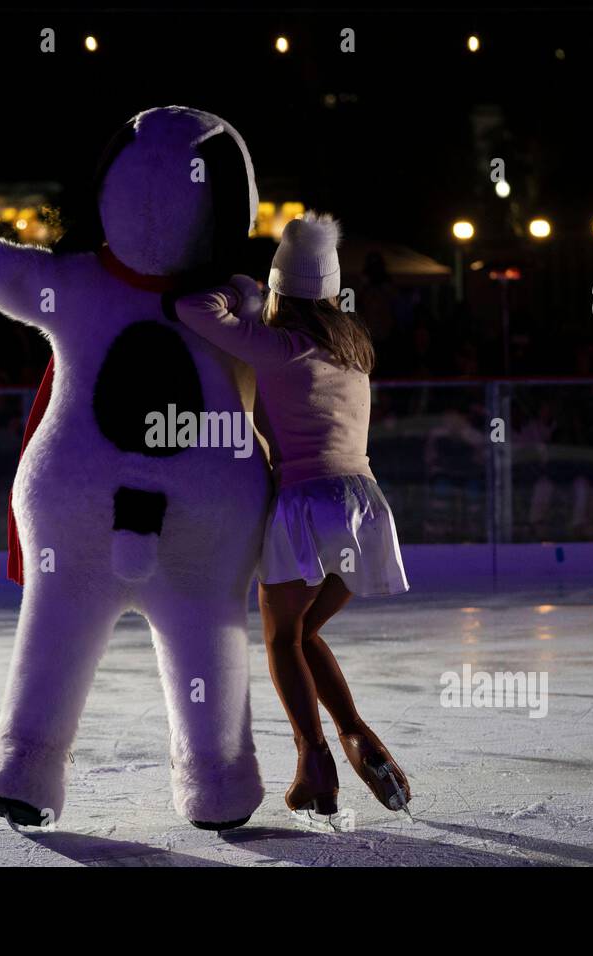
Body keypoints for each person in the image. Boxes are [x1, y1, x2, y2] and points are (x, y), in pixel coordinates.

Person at [171, 212, 411, 823]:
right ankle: (359, 737)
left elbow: (194, 310)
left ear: (282, 289)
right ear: (332, 293)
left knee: (281, 639)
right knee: (305, 635)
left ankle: (315, 758)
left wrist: (242, 292)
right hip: (364, 507)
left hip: (307, 503)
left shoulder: (279, 348)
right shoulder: (355, 351)